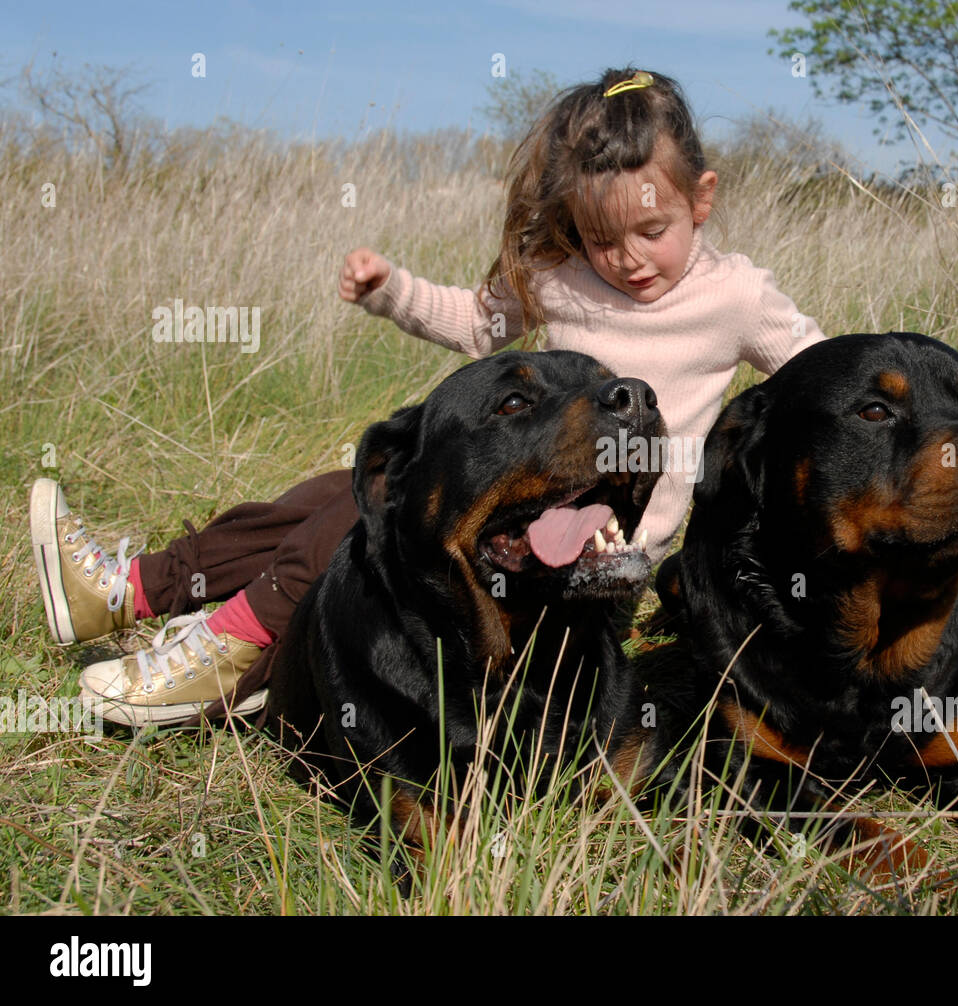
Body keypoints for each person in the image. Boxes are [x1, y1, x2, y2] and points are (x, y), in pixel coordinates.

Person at [29, 67, 827, 727]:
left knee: (372, 517)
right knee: (332, 495)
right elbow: (478, 326)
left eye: (649, 233)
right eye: (600, 237)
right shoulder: (562, 278)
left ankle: (233, 644)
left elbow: (821, 374)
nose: (625, 259)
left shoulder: (738, 297)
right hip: (518, 513)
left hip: (597, 559)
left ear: (701, 198)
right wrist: (392, 291)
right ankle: (131, 589)